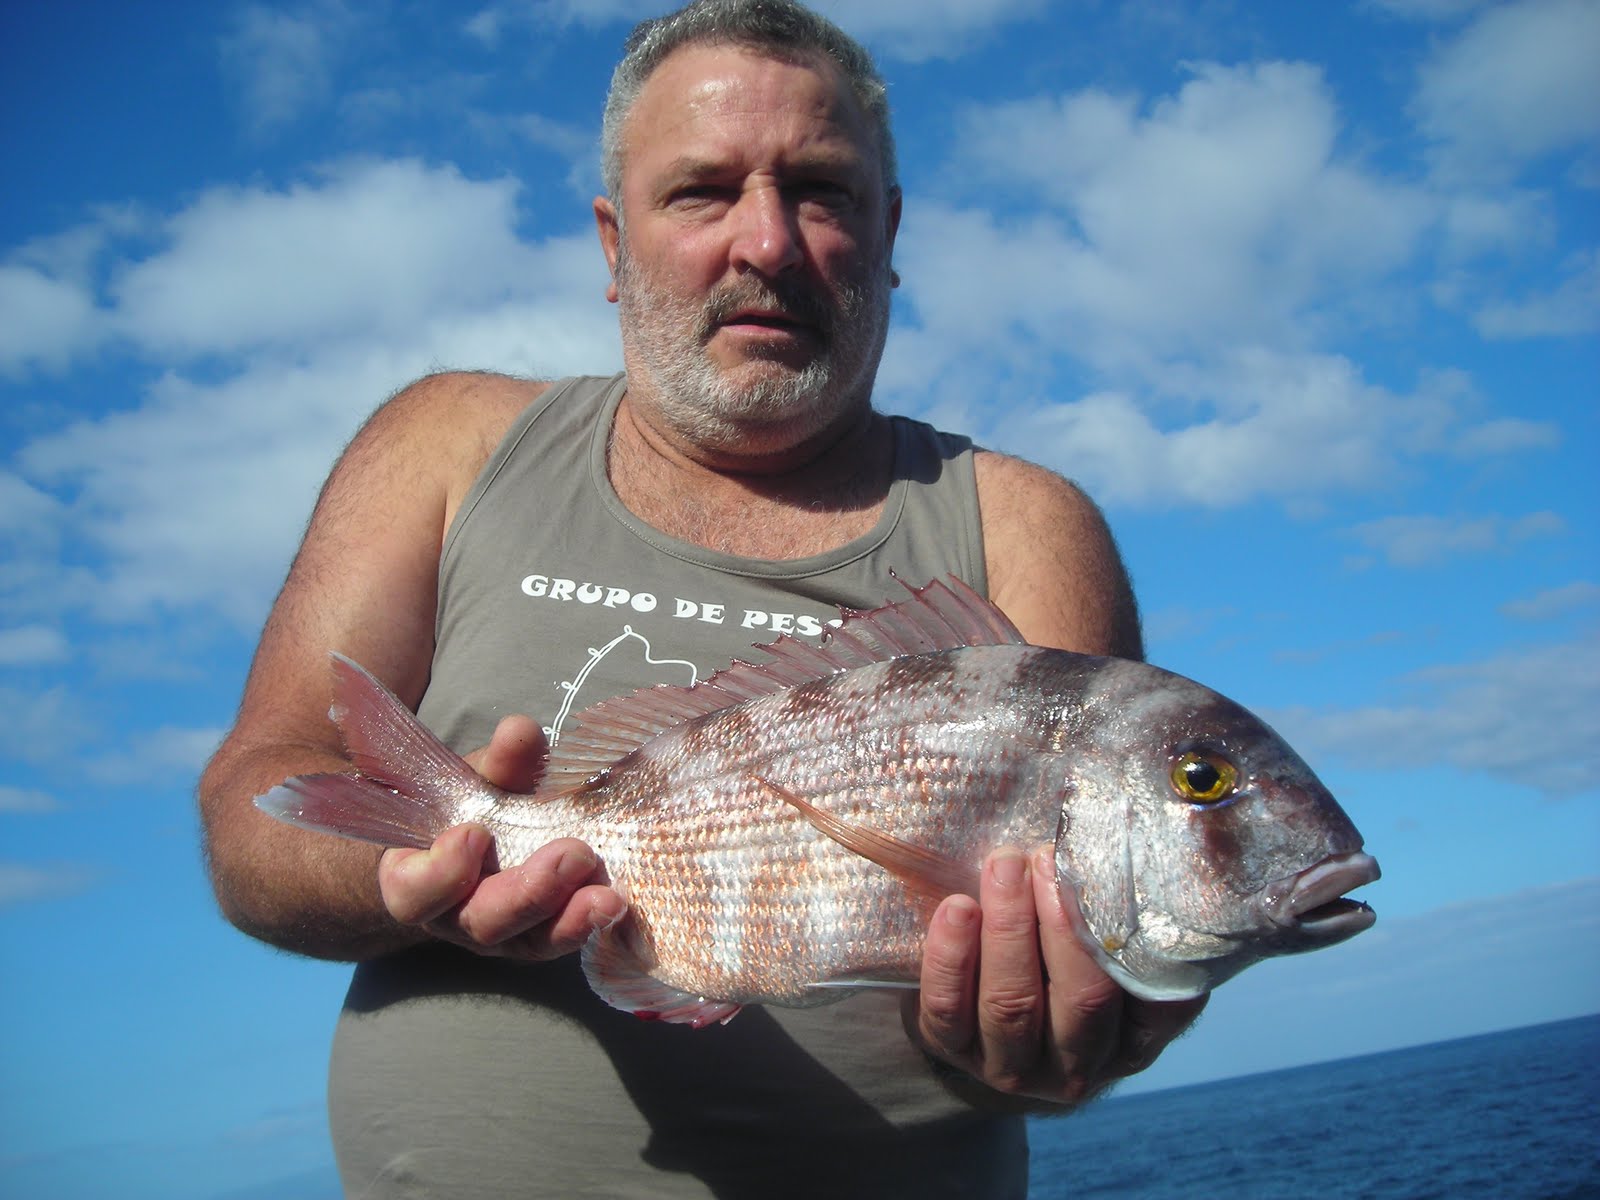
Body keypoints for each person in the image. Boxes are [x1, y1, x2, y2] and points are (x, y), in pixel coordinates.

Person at [199, 2, 1206, 1195]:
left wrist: (1062, 1028)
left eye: (822, 190)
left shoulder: (1027, 520)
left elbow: (1061, 1000)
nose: (767, 242)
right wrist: (412, 881)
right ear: (612, 244)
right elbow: (255, 801)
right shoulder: (448, 442)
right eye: (701, 191)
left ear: (887, 235)